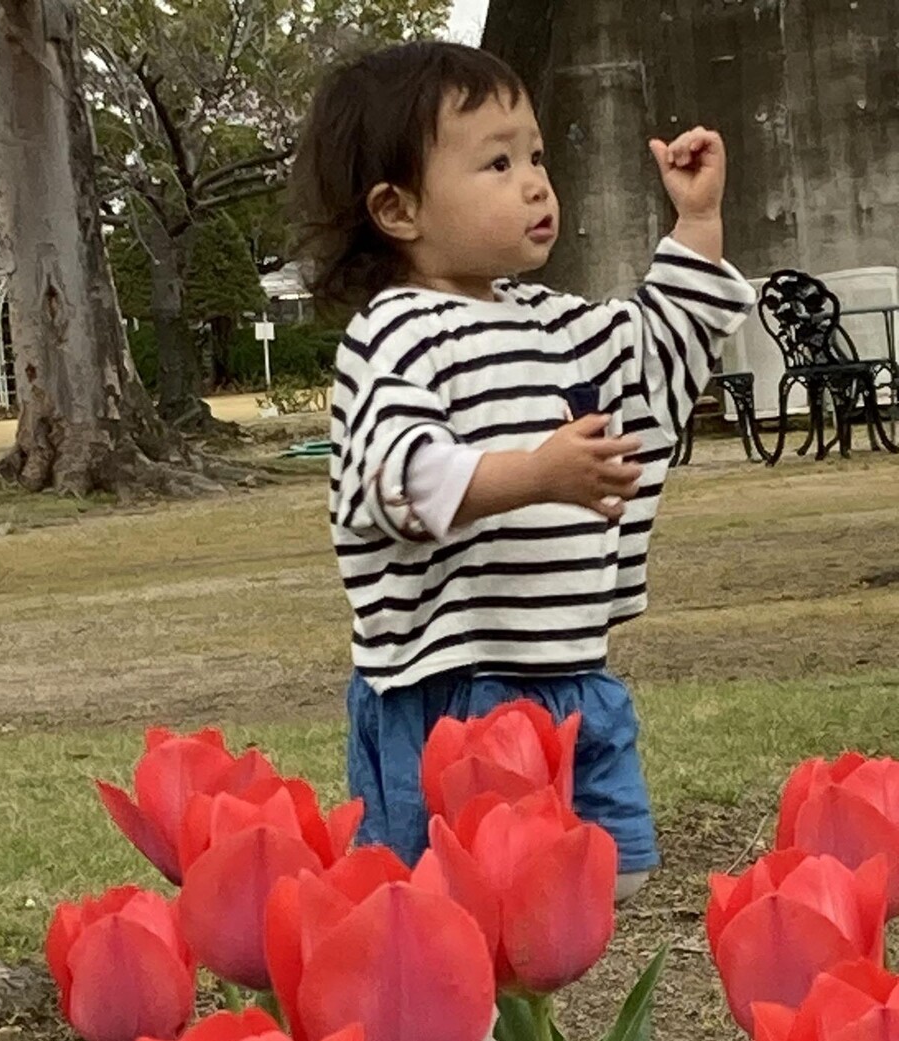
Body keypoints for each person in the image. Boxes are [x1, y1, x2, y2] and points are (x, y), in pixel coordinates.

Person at [290, 41, 755, 899]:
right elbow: (399, 478)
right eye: (497, 164)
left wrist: (695, 225)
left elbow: (658, 352)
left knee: (601, 886)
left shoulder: (555, 322)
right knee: (454, 905)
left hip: (572, 673)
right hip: (454, 692)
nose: (537, 181)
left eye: (536, 155)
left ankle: (533, 1028)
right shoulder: (398, 333)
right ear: (398, 210)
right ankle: (475, 1028)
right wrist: (535, 475)